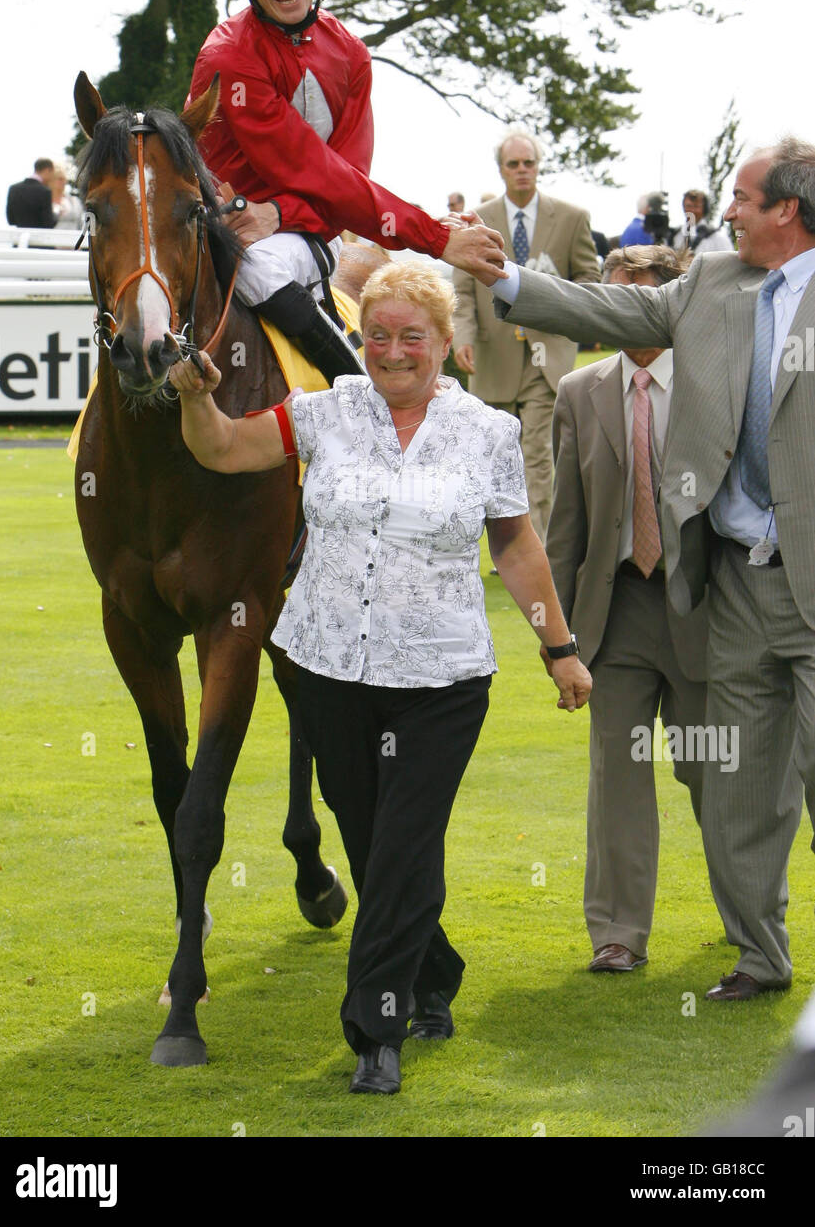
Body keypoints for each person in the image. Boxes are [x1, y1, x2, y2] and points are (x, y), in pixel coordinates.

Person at [171, 259, 592, 1093]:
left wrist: (558, 647)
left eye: (411, 337)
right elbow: (220, 447)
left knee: (401, 846)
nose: (392, 352)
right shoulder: (322, 413)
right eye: (377, 337)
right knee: (368, 842)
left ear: (445, 342)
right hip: (329, 668)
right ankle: (435, 971)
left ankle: (377, 1028)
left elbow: (513, 542)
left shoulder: (486, 433)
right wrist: (193, 393)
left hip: (441, 678)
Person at [490, 136, 815, 1001]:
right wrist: (506, 280)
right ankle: (757, 959)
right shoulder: (711, 285)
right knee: (739, 786)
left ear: (786, 208)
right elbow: (610, 316)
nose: (728, 210)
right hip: (736, 584)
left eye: (743, 198)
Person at [186, 0, 504, 385]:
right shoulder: (229, 57)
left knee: (259, 269)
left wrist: (281, 213)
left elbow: (345, 178)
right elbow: (315, 171)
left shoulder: (351, 52)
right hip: (220, 234)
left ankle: (359, 395)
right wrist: (435, 236)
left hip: (309, 231)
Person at [546, 245, 706, 975]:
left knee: (718, 773)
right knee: (617, 775)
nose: (617, 311)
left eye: (635, 297)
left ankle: (747, 924)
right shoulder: (579, 393)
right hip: (612, 617)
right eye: (608, 298)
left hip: (706, 612)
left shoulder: (716, 383)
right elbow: (565, 529)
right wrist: (558, 641)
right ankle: (617, 934)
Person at [451, 129, 600, 537]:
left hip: (546, 354)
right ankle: (504, 543)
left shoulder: (571, 218)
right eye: (513, 164)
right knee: (495, 456)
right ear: (501, 169)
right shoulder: (476, 220)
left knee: (537, 456)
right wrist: (461, 336)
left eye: (528, 163)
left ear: (538, 166)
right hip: (491, 355)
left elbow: (589, 279)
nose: (522, 171)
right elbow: (462, 289)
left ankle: (541, 551)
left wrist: (566, 312)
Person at [671, 188, 733, 256]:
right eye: (688, 206)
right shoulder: (676, 235)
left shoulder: (717, 236)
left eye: (696, 206)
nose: (692, 210)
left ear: (704, 209)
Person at [6, 158, 57, 229]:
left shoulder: (13, 189)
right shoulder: (45, 191)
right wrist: (56, 214)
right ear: (47, 170)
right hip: (39, 237)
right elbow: (48, 223)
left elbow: (11, 220)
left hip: (19, 236)